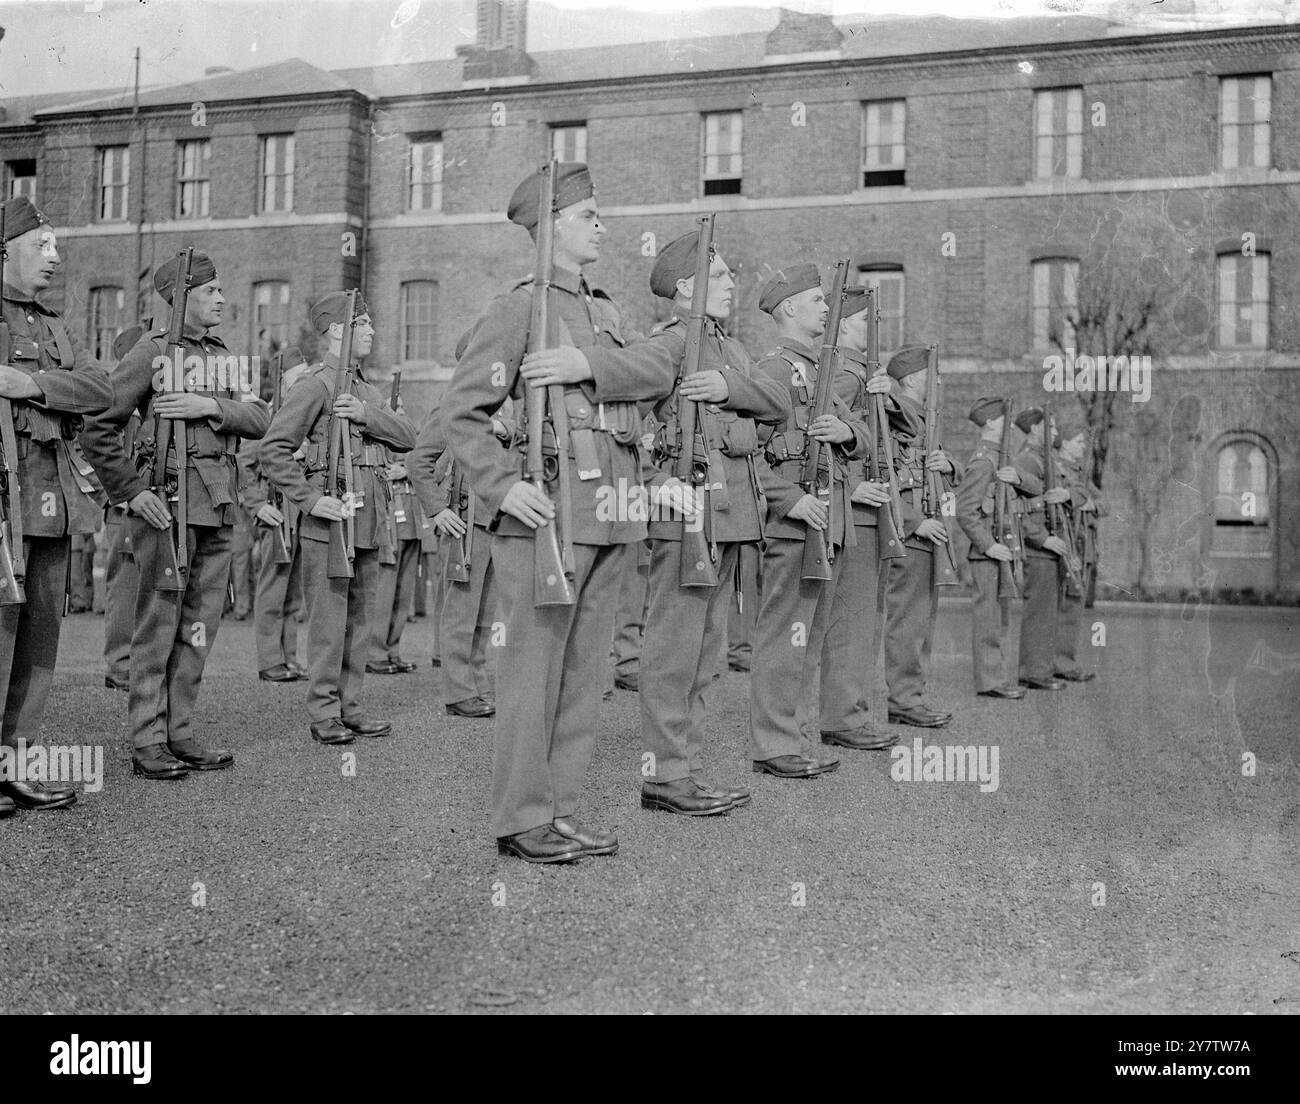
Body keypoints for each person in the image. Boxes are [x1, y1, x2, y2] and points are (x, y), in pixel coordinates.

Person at [440, 161, 676, 863]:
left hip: (607, 513)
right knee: (532, 676)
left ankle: (561, 809)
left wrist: (586, 368)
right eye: (588, 215)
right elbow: (463, 413)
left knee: (586, 676)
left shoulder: (603, 311)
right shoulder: (519, 310)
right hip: (545, 518)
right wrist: (500, 485)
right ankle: (520, 818)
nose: (602, 225)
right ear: (550, 229)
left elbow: (658, 373)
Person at [80, 249, 269, 779]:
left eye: (219, 289)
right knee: (157, 626)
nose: (222, 299)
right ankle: (147, 741)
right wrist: (131, 491)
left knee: (200, 626)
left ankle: (179, 733)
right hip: (166, 508)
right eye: (210, 291)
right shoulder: (150, 352)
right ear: (179, 297)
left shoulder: (225, 357)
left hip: (218, 507)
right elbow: (99, 423)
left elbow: (260, 417)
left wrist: (209, 407)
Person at [636, 228, 790, 816]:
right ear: (685, 287)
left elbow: (780, 404)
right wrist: (654, 487)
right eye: (721, 275)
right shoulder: (669, 348)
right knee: (674, 651)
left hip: (729, 519)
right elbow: (616, 427)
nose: (732, 283)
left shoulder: (731, 351)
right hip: (687, 519)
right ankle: (663, 775)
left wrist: (730, 387)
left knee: (706, 654)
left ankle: (681, 770)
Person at [258, 292, 415, 746]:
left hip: (368, 518)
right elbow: (274, 449)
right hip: (329, 521)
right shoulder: (314, 386)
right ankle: (324, 711)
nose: (371, 332)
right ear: (337, 332)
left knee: (360, 620)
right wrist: (308, 499)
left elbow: (410, 437)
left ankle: (351, 707)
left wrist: (367, 416)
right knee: (329, 622)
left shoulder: (366, 390)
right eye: (362, 324)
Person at [0, 196, 114, 815]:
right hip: (2, 504)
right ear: (3, 252)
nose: (55, 256)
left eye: (54, 245)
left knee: (39, 638)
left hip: (49, 503)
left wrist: (34, 383)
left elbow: (99, 387)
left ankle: (16, 763)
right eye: (40, 246)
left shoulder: (54, 326)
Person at [750, 264, 871, 778]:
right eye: (817, 300)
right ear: (790, 309)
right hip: (796, 522)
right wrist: (784, 499)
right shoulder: (774, 372)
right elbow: (745, 452)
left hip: (829, 519)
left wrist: (844, 432)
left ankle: (796, 739)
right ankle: (775, 745)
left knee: (810, 636)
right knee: (785, 635)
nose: (827, 308)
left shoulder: (822, 373)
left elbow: (865, 435)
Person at [815, 287, 899, 750]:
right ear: (846, 326)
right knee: (852, 617)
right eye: (868, 321)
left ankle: (851, 712)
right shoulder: (845, 374)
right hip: (855, 509)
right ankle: (842, 717)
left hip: (868, 509)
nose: (875, 330)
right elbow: (820, 436)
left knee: (864, 616)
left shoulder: (865, 374)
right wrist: (850, 483)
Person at [879, 345, 958, 727]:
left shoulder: (925, 419)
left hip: (929, 529)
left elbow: (934, 471)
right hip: (908, 532)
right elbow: (885, 478)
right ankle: (903, 699)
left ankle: (911, 695)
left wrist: (950, 464)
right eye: (932, 375)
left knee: (922, 621)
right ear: (911, 380)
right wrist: (912, 522)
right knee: (907, 621)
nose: (938, 381)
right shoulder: (894, 417)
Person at [408, 403, 499, 717]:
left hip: (495, 521)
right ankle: (459, 692)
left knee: (484, 617)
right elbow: (418, 460)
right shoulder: (452, 405)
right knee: (460, 615)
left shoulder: (500, 405)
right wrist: (436, 509)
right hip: (466, 523)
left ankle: (477, 685)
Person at [955, 397, 1037, 699]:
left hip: (1002, 549)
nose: (1009, 425)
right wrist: (989, 546)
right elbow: (965, 511)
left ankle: (997, 677)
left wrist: (1017, 477)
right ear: (990, 423)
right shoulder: (983, 461)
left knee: (1000, 618)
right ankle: (990, 681)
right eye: (1004, 420)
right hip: (987, 554)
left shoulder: (1002, 459)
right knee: (988, 619)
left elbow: (1034, 487)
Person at [241, 347, 309, 682]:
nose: (303, 385)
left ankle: (289, 657)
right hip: (275, 510)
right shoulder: (266, 418)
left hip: (300, 512)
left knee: (293, 589)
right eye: (298, 378)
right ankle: (270, 660)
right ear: (281, 382)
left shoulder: (303, 416)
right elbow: (243, 465)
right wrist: (257, 505)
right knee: (272, 586)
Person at [101, 323, 148, 692]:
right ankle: (120, 666)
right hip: (125, 508)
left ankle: (132, 663)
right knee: (125, 586)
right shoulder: (126, 411)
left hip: (143, 505)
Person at [1012, 406, 1073, 690]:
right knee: (1039, 611)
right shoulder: (1026, 460)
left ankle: (1041, 668)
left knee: (1048, 611)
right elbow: (1016, 510)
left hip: (1051, 546)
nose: (1056, 433)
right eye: (1051, 427)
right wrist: (1041, 538)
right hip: (1039, 548)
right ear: (1036, 429)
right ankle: (1033, 672)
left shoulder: (1042, 460)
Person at [1054, 423, 1102, 681]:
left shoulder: (1080, 473)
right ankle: (1058, 662)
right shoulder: (1055, 471)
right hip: (1066, 543)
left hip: (1084, 544)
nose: (1083, 447)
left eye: (1084, 443)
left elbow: (1103, 503)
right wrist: (1078, 499)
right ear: (1063, 444)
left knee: (1074, 605)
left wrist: (1086, 502)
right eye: (1078, 442)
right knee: (1065, 604)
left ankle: (1063, 661)